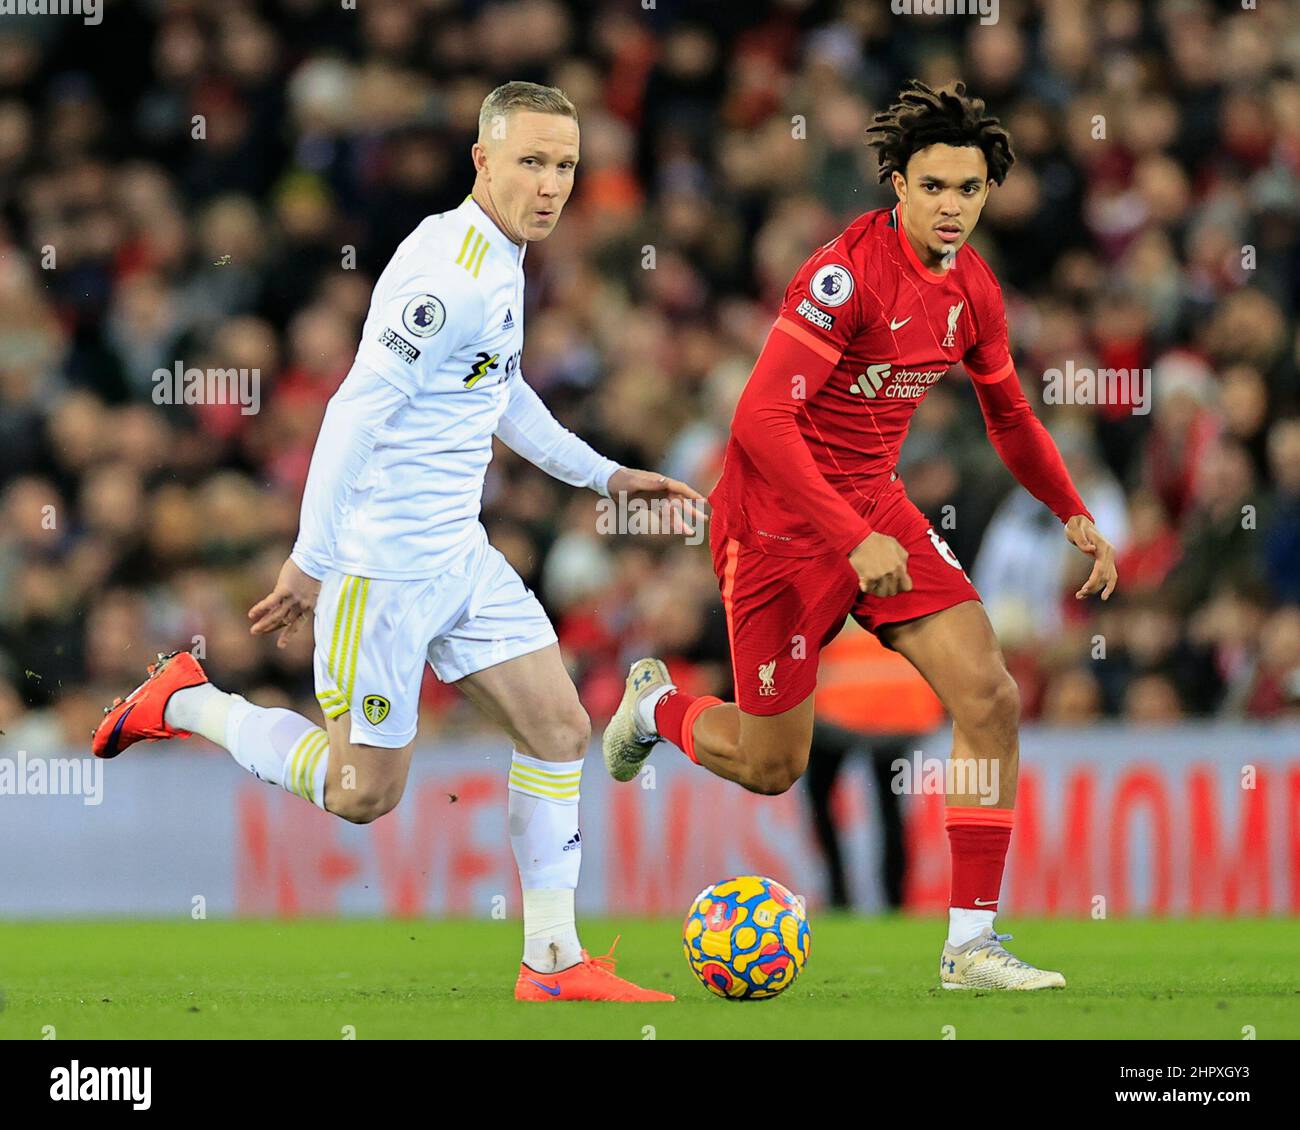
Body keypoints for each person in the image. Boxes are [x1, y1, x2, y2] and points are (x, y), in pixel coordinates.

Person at [92, 81, 701, 1003]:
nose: (550, 185)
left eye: (566, 166)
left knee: (560, 727)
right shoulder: (448, 273)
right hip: (380, 569)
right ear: (482, 160)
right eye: (530, 162)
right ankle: (187, 703)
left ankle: (551, 961)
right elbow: (350, 414)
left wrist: (603, 475)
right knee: (361, 795)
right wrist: (310, 557)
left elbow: (501, 389)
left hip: (458, 552)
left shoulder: (503, 259)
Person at [605, 80, 1119, 991]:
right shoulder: (844, 275)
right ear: (898, 184)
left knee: (990, 698)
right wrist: (847, 537)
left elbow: (1008, 417)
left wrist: (1070, 508)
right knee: (773, 767)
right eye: (933, 187)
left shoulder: (974, 290)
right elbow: (762, 418)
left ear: (988, 192)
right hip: (775, 524)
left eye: (968, 189)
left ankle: (970, 945)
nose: (952, 206)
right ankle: (655, 709)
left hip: (875, 507)